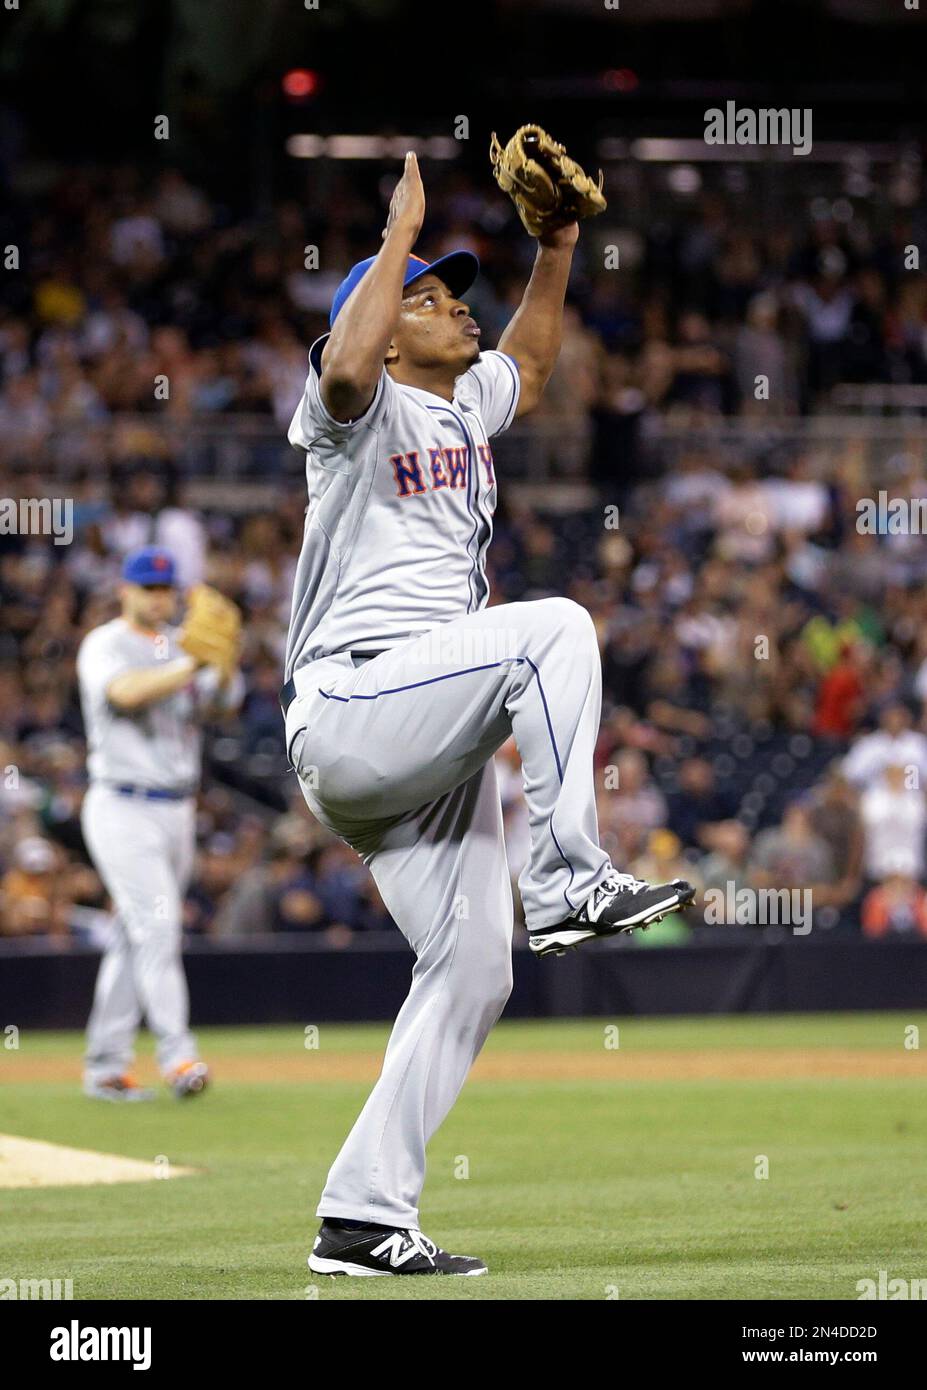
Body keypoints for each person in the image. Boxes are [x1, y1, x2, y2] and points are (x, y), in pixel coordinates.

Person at [281, 152, 695, 1277]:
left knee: (475, 972)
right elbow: (351, 363)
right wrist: (399, 227)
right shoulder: (348, 414)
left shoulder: (461, 403)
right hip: (357, 698)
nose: (456, 304)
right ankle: (568, 877)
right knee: (555, 625)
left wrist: (557, 248)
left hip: (424, 729)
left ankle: (362, 1215)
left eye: (454, 288)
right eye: (429, 294)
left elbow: (534, 355)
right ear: (374, 324)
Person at [76, 546, 243, 1102]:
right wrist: (194, 662)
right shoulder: (105, 643)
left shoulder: (180, 643)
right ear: (124, 589)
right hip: (122, 805)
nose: (158, 597)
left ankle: (106, 1064)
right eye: (147, 587)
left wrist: (223, 662)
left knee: (135, 934)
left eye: (165, 588)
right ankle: (179, 1056)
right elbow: (125, 693)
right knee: (159, 925)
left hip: (177, 808)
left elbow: (223, 706)